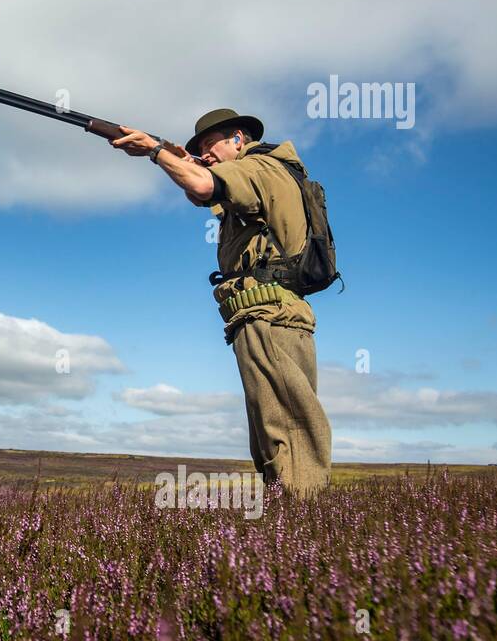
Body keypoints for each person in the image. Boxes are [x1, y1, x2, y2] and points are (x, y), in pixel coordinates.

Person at [111, 110, 332, 497]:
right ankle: (293, 527)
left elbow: (202, 186)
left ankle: (305, 529)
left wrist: (155, 150)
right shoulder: (268, 171)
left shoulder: (259, 166)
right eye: (198, 149)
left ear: (238, 139)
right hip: (270, 314)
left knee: (288, 431)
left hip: (268, 316)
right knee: (274, 432)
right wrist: (178, 160)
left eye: (209, 144)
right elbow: (206, 191)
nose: (204, 153)